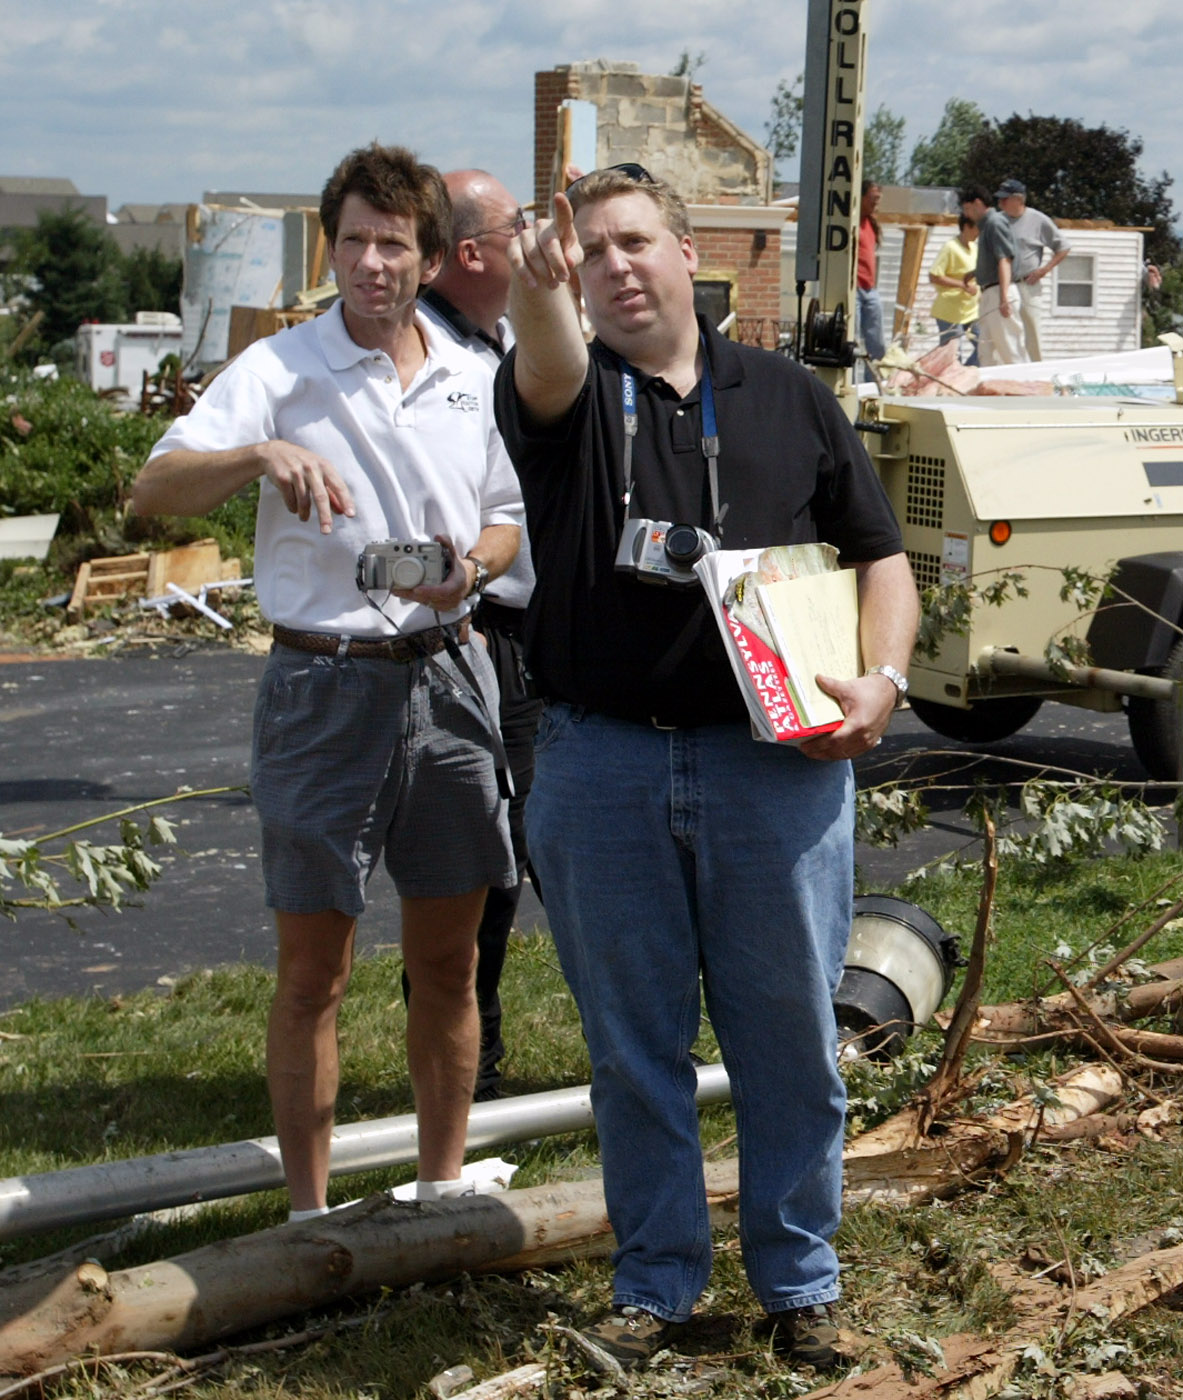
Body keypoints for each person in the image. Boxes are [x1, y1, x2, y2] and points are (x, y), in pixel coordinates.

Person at [494, 164, 918, 1371]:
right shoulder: (570, 396)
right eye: (590, 252)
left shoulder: (788, 396)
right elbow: (543, 354)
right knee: (633, 1047)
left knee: (788, 1033)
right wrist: (536, 293)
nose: (615, 265)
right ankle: (657, 1285)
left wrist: (880, 683)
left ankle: (800, 1281)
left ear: (690, 255)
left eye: (636, 241)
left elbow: (879, 557)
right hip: (602, 762)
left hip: (772, 770)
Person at [131, 143, 523, 1216]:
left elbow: (507, 520)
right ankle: (309, 1214)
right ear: (330, 246)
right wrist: (258, 457)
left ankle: (439, 1188)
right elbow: (153, 488)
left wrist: (468, 572)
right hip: (321, 687)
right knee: (314, 972)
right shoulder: (278, 372)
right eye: (352, 240)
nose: (370, 263)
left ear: (431, 256)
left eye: (394, 243)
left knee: (446, 962)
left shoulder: (472, 377)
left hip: (445, 680)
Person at [414, 168, 543, 1101]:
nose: (536, 243)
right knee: (484, 860)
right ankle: (472, 1067)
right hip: (475, 634)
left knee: (543, 841)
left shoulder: (502, 340)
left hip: (535, 632)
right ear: (471, 253)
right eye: (519, 229)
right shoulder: (424, 354)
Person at [996, 178, 1071, 362]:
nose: (1000, 203)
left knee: (1033, 333)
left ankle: (1038, 375)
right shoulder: (997, 221)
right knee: (1004, 334)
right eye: (1000, 199)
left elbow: (1063, 247)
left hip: (1028, 285)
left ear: (1018, 199)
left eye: (1005, 199)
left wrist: (1044, 270)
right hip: (1003, 286)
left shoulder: (1038, 220)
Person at [960, 184, 1026, 367]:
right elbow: (994, 259)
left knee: (1010, 349)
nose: (966, 214)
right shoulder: (987, 226)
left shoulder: (995, 222)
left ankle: (1025, 388)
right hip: (990, 291)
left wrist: (1004, 297)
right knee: (986, 350)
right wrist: (976, 272)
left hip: (999, 291)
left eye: (967, 208)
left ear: (978, 203)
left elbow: (1005, 259)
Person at [928, 214, 980, 365]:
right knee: (952, 355)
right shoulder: (950, 247)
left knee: (985, 347)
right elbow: (934, 276)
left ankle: (965, 373)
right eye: (977, 229)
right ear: (966, 227)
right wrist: (962, 285)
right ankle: (952, 384)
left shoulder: (974, 248)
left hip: (970, 309)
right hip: (949, 310)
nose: (978, 233)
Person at [856, 179, 886, 375]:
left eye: (878, 199)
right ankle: (850, 384)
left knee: (877, 343)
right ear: (861, 197)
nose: (876, 203)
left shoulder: (870, 223)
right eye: (873, 198)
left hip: (870, 289)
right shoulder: (853, 222)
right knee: (853, 340)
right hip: (855, 289)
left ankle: (873, 383)